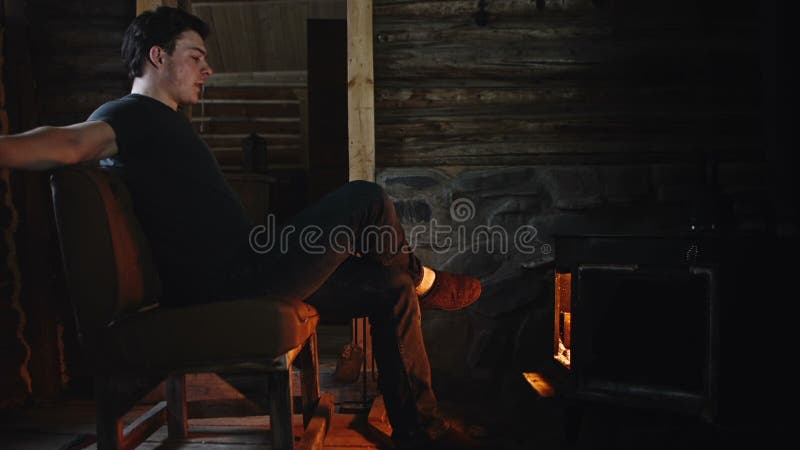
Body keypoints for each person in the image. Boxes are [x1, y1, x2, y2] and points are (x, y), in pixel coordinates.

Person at [0, 6, 486, 450]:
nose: (207, 69)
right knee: (367, 199)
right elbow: (66, 144)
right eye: (195, 56)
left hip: (250, 265)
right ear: (157, 56)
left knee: (389, 285)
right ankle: (430, 280)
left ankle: (421, 432)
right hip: (236, 282)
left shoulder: (161, 124)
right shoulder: (128, 114)